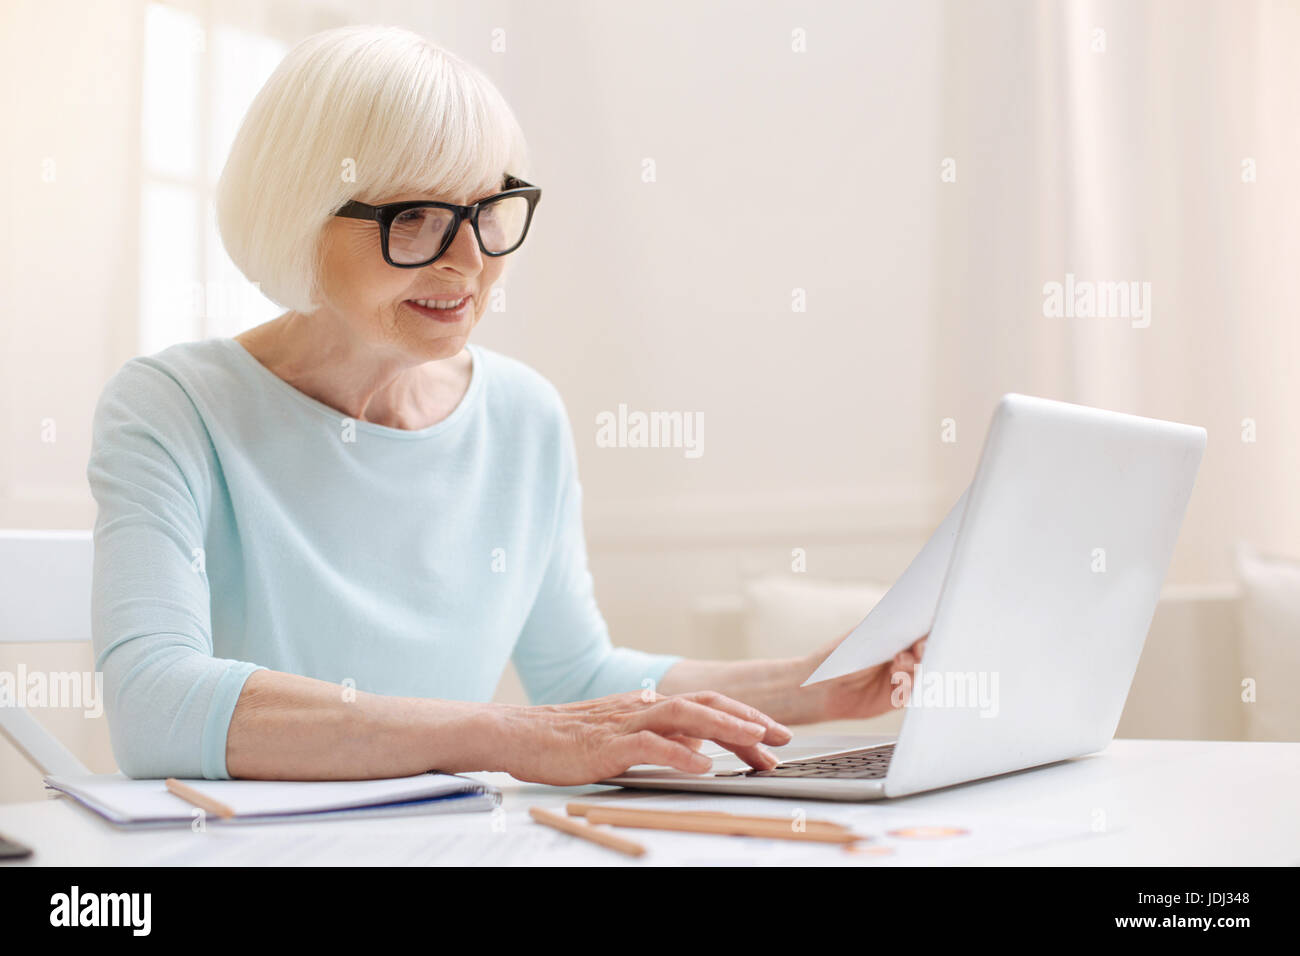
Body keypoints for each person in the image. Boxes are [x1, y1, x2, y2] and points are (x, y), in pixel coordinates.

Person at [88, 25, 924, 783]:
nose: (469, 261)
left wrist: (816, 686)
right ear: (299, 214)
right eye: (415, 217)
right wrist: (512, 735)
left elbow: (580, 680)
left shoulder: (522, 415)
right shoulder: (173, 409)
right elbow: (156, 706)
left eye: (488, 209)